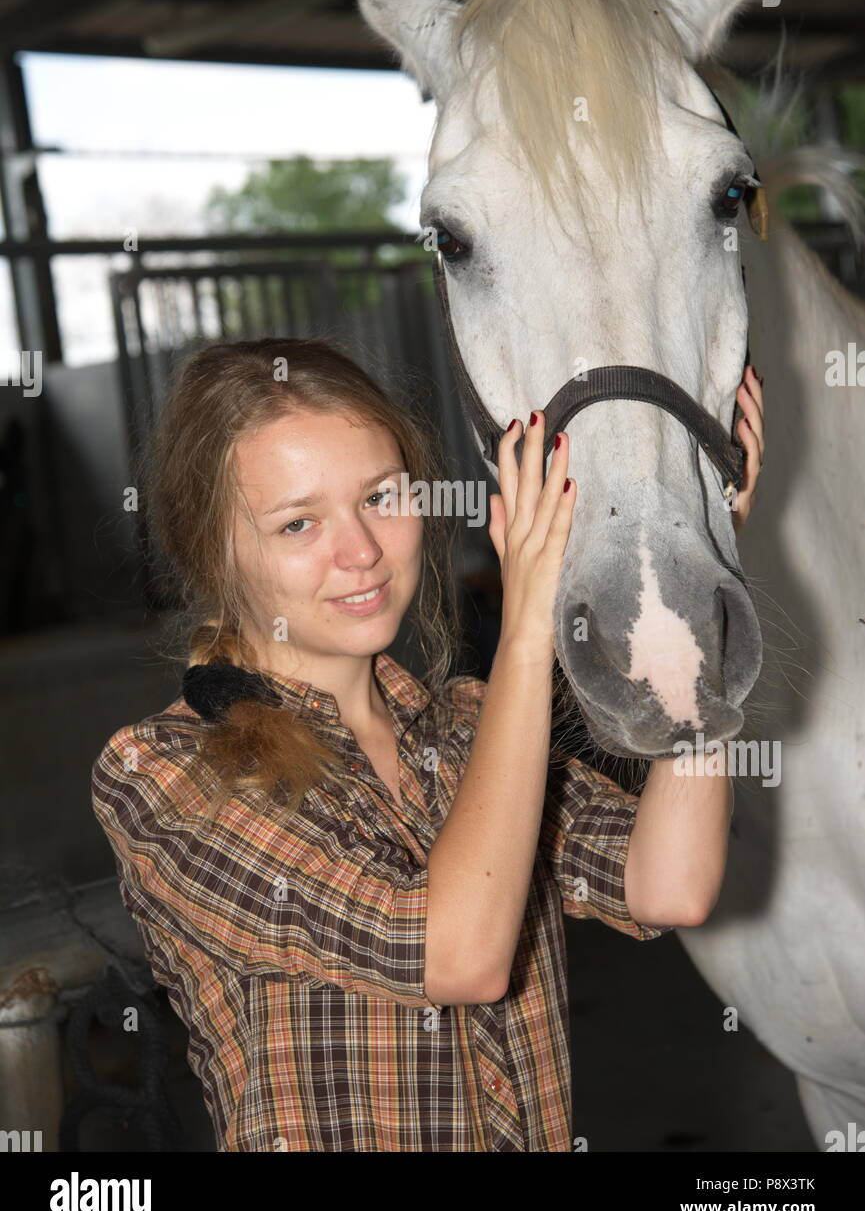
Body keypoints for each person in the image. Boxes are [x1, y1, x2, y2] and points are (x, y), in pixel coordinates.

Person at [91, 336, 765, 1152]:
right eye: (297, 523)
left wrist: (703, 564)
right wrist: (524, 633)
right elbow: (455, 955)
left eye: (380, 497)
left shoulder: (471, 729)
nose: (362, 551)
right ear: (215, 552)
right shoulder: (164, 774)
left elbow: (670, 885)